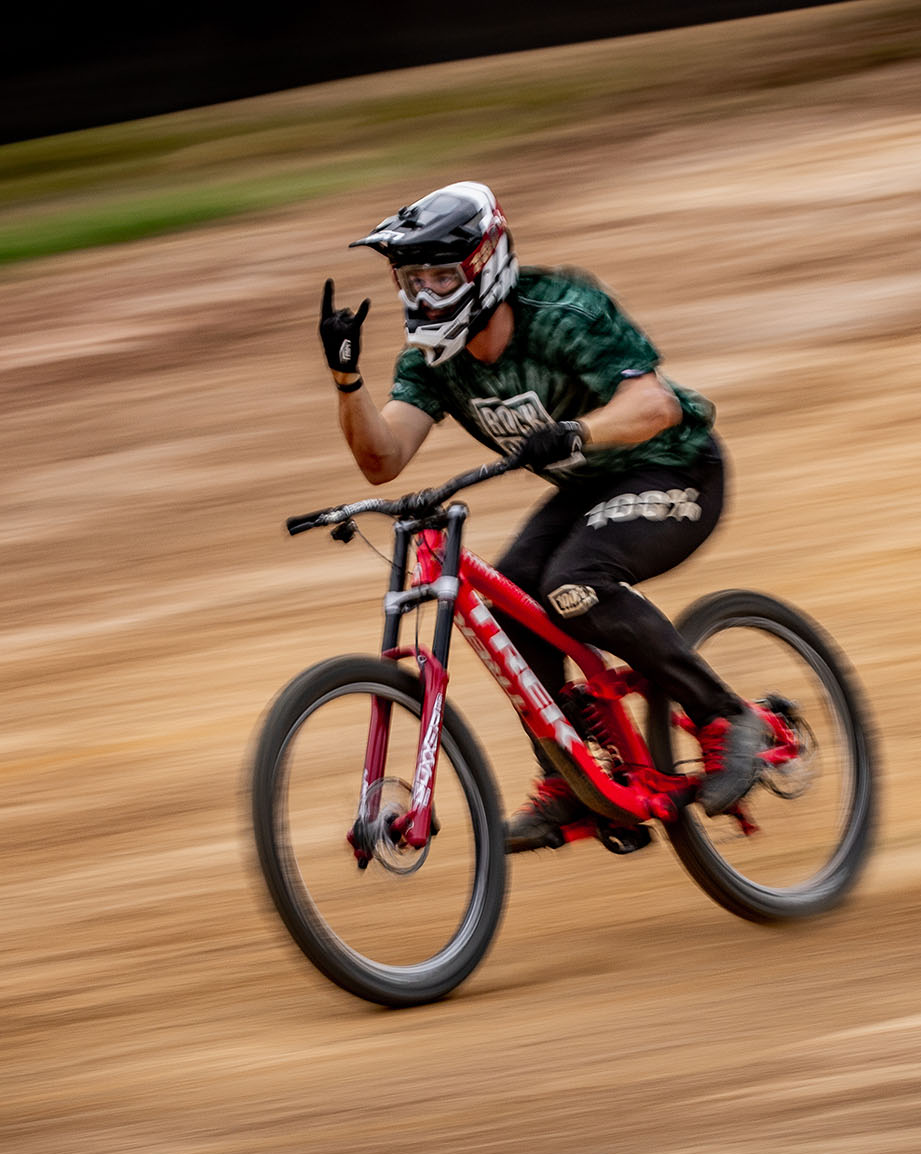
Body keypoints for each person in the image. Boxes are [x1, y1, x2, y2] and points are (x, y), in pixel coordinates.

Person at [318, 180, 766, 850]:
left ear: (487, 261)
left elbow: (658, 407)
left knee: (574, 586)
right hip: (588, 491)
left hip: (675, 467)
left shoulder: (561, 310)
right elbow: (384, 459)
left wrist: (581, 430)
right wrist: (347, 381)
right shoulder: (435, 362)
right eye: (410, 281)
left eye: (441, 276)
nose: (423, 296)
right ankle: (573, 779)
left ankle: (727, 718)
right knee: (508, 603)